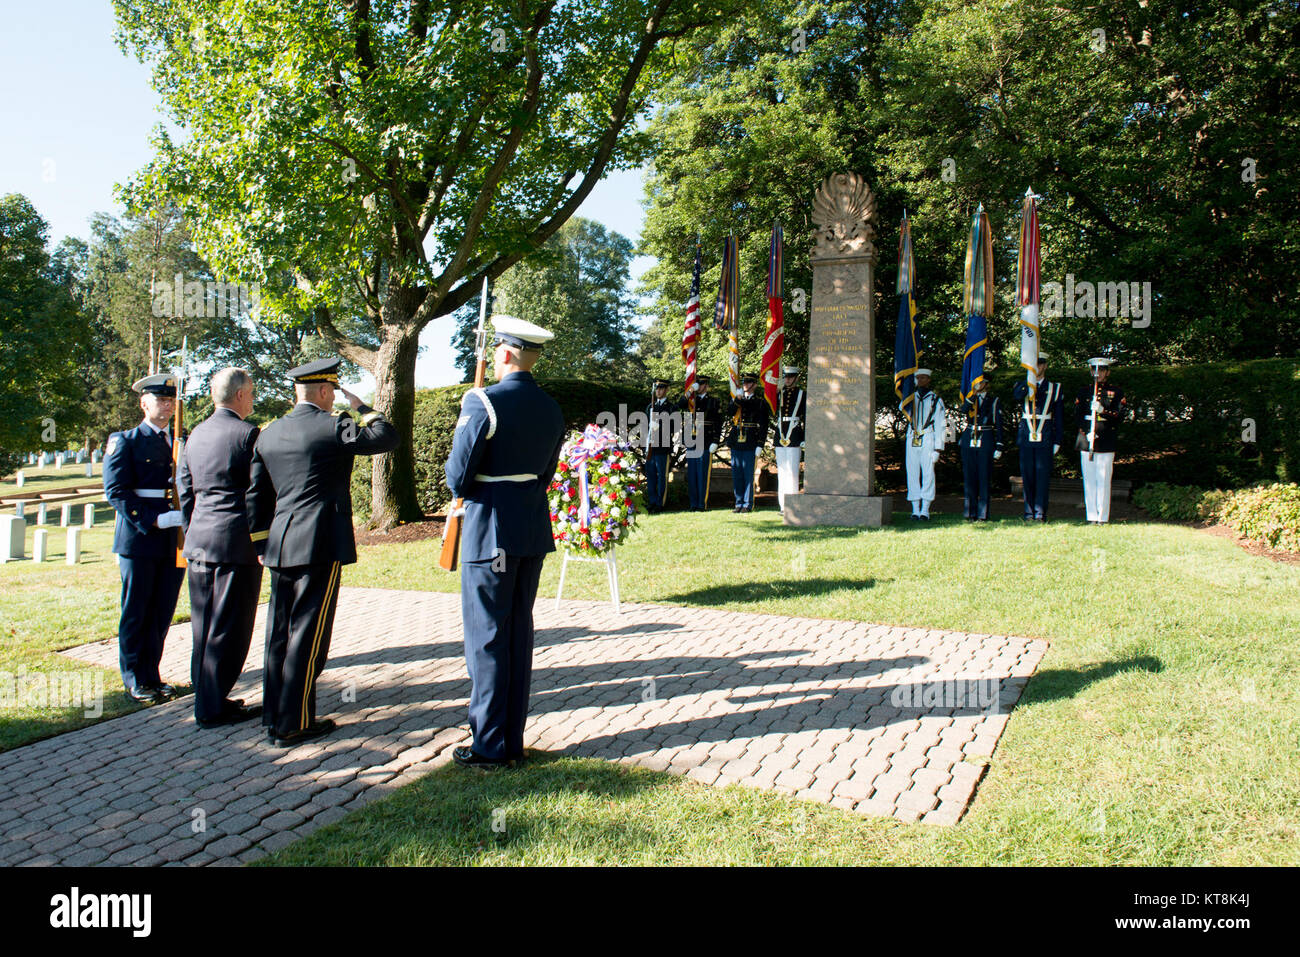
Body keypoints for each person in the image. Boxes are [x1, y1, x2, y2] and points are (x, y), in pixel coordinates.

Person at [246, 358, 398, 746]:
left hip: (280, 542)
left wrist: (262, 543)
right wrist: (363, 407)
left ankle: (274, 714)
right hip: (319, 541)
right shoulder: (335, 426)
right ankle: (294, 723)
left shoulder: (268, 432)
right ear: (326, 391)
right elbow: (386, 436)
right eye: (334, 392)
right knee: (309, 634)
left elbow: (256, 496)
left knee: (279, 632)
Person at [445, 316, 566, 770]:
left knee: (487, 637)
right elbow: (547, 473)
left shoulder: (482, 402)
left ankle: (490, 745)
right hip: (530, 528)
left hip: (488, 530)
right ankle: (509, 737)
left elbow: (457, 476)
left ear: (505, 353)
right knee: (517, 633)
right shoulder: (552, 408)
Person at [177, 367, 263, 728]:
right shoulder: (248, 434)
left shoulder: (195, 434)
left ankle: (209, 696)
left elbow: (184, 488)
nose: (254, 398)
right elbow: (258, 494)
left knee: (204, 626)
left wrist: (191, 531)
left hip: (200, 542)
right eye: (252, 392)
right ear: (241, 395)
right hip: (235, 544)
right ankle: (211, 708)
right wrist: (263, 540)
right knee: (230, 627)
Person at [102, 374, 186, 703]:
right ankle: (134, 678)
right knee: (137, 610)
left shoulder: (179, 440)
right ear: (144, 403)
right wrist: (153, 519)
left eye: (170, 401)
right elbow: (116, 493)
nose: (166, 405)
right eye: (159, 400)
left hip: (172, 540)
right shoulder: (125, 440)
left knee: (162, 610)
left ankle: (154, 674)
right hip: (140, 539)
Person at [1075, 357, 1127, 524]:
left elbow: (1120, 416)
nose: (1098, 373)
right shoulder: (1084, 391)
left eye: (1102, 370)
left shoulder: (1116, 392)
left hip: (1106, 440)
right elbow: (1077, 415)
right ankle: (1091, 516)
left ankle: (1102, 517)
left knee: (1103, 479)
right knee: (1089, 479)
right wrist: (1086, 432)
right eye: (1095, 370)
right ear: (1091, 371)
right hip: (1087, 439)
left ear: (1107, 372)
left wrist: (1103, 410)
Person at [1013, 355, 1064, 522]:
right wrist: (1030, 384)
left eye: (1040, 364)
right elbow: (1017, 397)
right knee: (1027, 476)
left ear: (1045, 366)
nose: (1037, 368)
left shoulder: (1054, 388)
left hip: (1045, 436)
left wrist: (1057, 440)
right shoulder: (1021, 385)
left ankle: (1040, 513)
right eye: (1034, 365)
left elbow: (1059, 417)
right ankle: (1028, 513)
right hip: (1026, 436)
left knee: (1042, 476)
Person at [957, 378, 1004, 521]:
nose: (978, 384)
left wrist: (999, 444)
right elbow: (963, 410)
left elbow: (999, 423)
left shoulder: (994, 400)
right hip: (969, 437)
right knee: (969, 476)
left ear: (987, 384)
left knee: (984, 477)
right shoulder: (971, 398)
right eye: (976, 382)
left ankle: (982, 514)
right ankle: (970, 512)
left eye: (981, 382)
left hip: (986, 438)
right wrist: (973, 396)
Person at [902, 368, 945, 521]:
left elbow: (941, 424)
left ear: (929, 380)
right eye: (917, 378)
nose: (920, 381)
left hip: (927, 437)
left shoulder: (936, 399)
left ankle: (925, 509)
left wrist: (938, 448)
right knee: (912, 472)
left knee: (928, 474)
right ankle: (915, 508)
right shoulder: (909, 398)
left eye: (923, 378)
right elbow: (905, 410)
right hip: (912, 436)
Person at [726, 372, 769, 513]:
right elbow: (730, 412)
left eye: (748, 382)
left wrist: (760, 444)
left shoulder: (759, 402)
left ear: (755, 385)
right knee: (737, 473)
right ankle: (738, 503)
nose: (745, 384)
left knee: (747, 473)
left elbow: (763, 424)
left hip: (751, 440)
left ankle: (747, 503)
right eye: (744, 382)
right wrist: (736, 399)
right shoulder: (737, 399)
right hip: (736, 440)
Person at [681, 374, 722, 511]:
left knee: (702, 474)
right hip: (692, 441)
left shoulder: (713, 401)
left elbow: (718, 422)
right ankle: (693, 503)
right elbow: (678, 405)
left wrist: (716, 440)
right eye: (698, 384)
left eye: (702, 384)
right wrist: (689, 391)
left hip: (705, 441)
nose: (700, 387)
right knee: (692, 475)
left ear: (707, 386)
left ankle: (701, 503)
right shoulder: (691, 400)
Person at [773, 365, 806, 512]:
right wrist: (775, 393)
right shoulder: (780, 394)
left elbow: (806, 416)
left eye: (790, 377)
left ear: (796, 378)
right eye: (785, 377)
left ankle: (792, 504)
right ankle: (782, 505)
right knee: (782, 471)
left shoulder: (802, 394)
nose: (787, 379)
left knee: (792, 471)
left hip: (794, 434)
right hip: (780, 433)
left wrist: (804, 437)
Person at [643, 378, 674, 513]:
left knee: (662, 476)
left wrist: (660, 426)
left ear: (667, 390)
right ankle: (652, 501)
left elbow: (674, 426)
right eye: (657, 389)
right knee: (651, 475)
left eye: (662, 388)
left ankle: (661, 502)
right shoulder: (650, 407)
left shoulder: (671, 407)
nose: (659, 391)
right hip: (650, 447)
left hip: (663, 446)